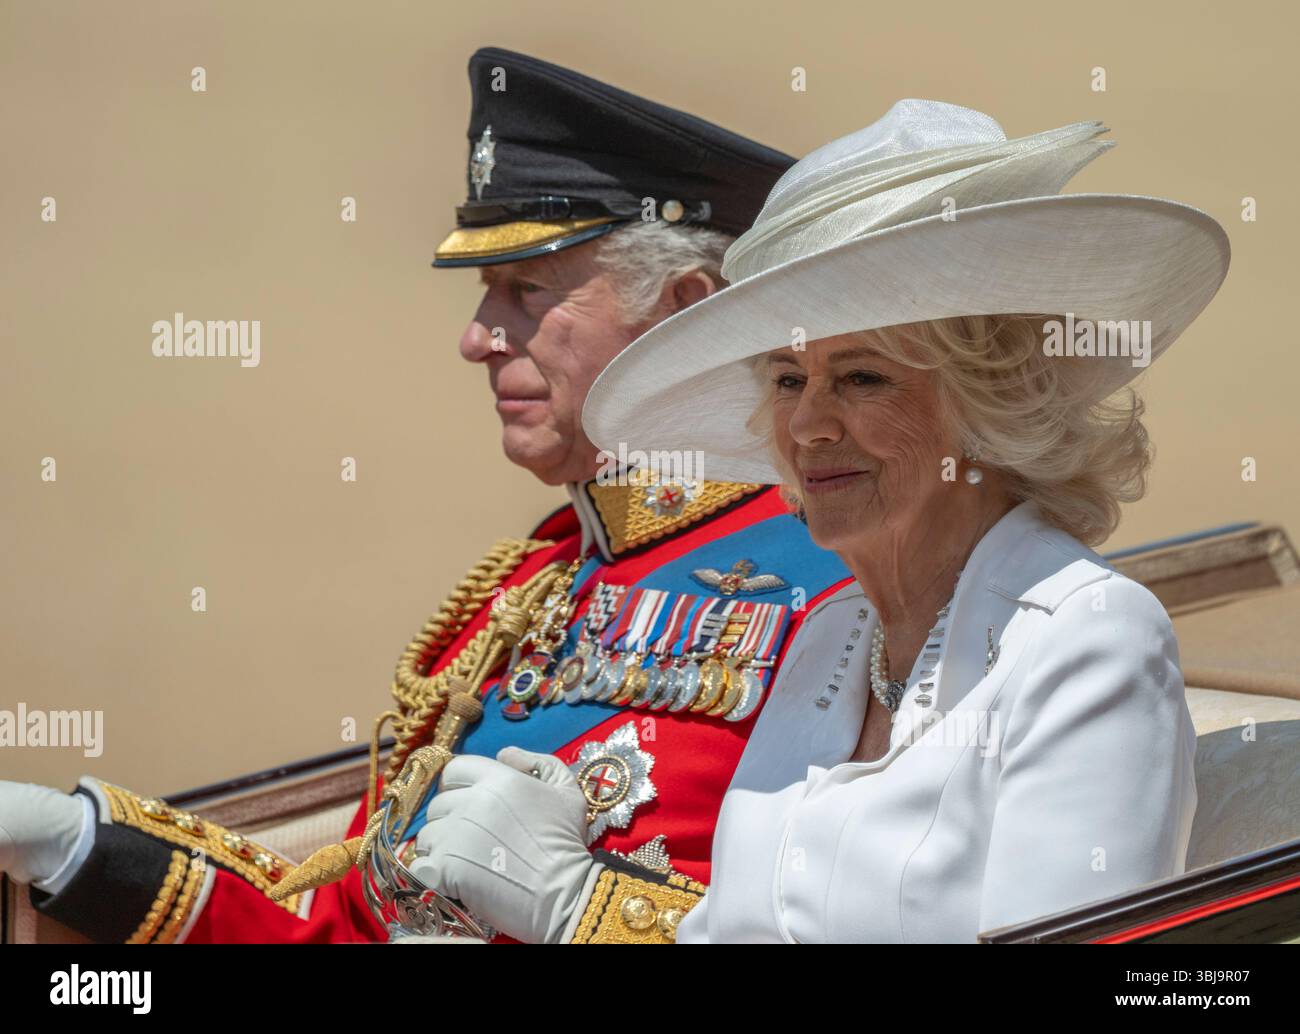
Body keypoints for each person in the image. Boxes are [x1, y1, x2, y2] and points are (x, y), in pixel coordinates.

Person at [0, 48, 851, 943]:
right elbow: (346, 923)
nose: (479, 338)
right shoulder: (530, 588)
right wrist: (82, 854)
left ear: (682, 311)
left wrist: (582, 913)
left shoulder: (843, 572)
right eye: (489, 294)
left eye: (527, 291)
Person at [402, 99, 1230, 943]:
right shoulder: (834, 639)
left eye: (863, 377)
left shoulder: (1086, 637)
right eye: (788, 380)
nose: (808, 427)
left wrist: (579, 913)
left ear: (992, 400)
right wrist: (570, 894)